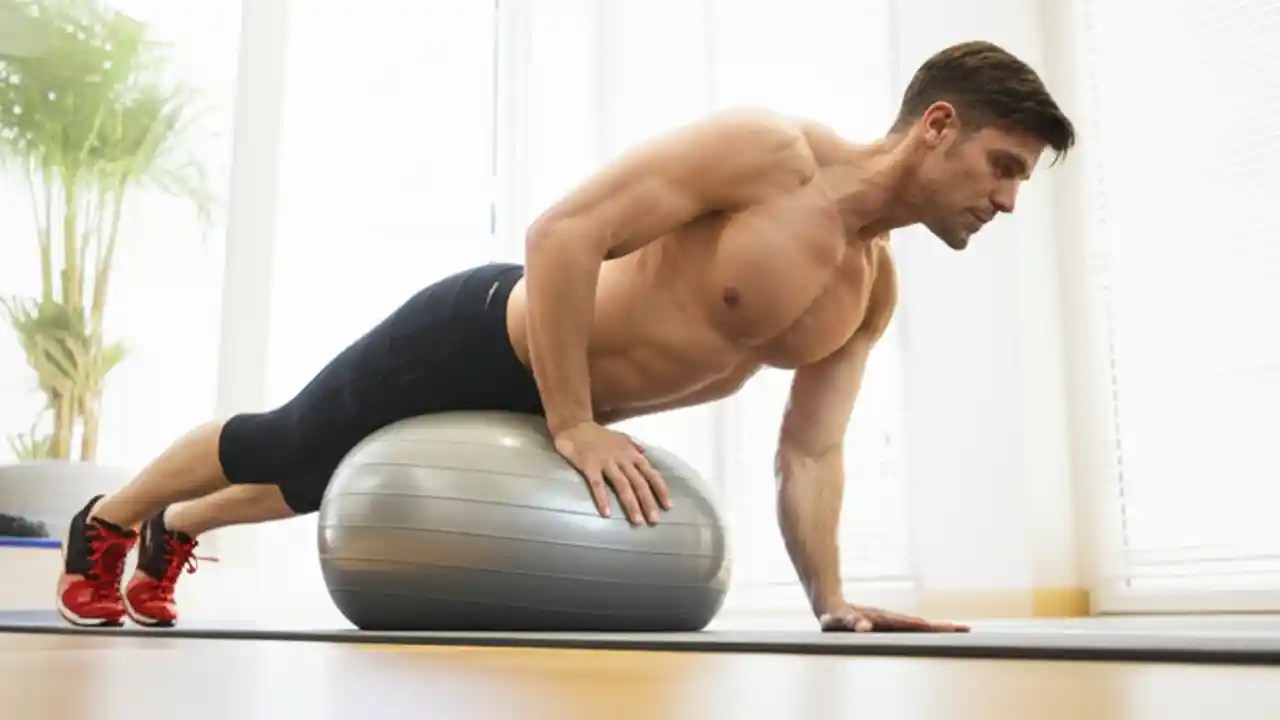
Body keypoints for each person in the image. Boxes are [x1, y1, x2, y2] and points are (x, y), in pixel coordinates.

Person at [57, 40, 1074, 632]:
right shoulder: (769, 156)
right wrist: (575, 424)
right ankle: (106, 520)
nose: (1006, 200)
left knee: (333, 484)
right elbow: (564, 235)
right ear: (935, 126)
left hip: (558, 411)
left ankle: (178, 527)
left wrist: (833, 601)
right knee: (293, 444)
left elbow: (808, 453)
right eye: (1002, 166)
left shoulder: (866, 292)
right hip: (486, 336)